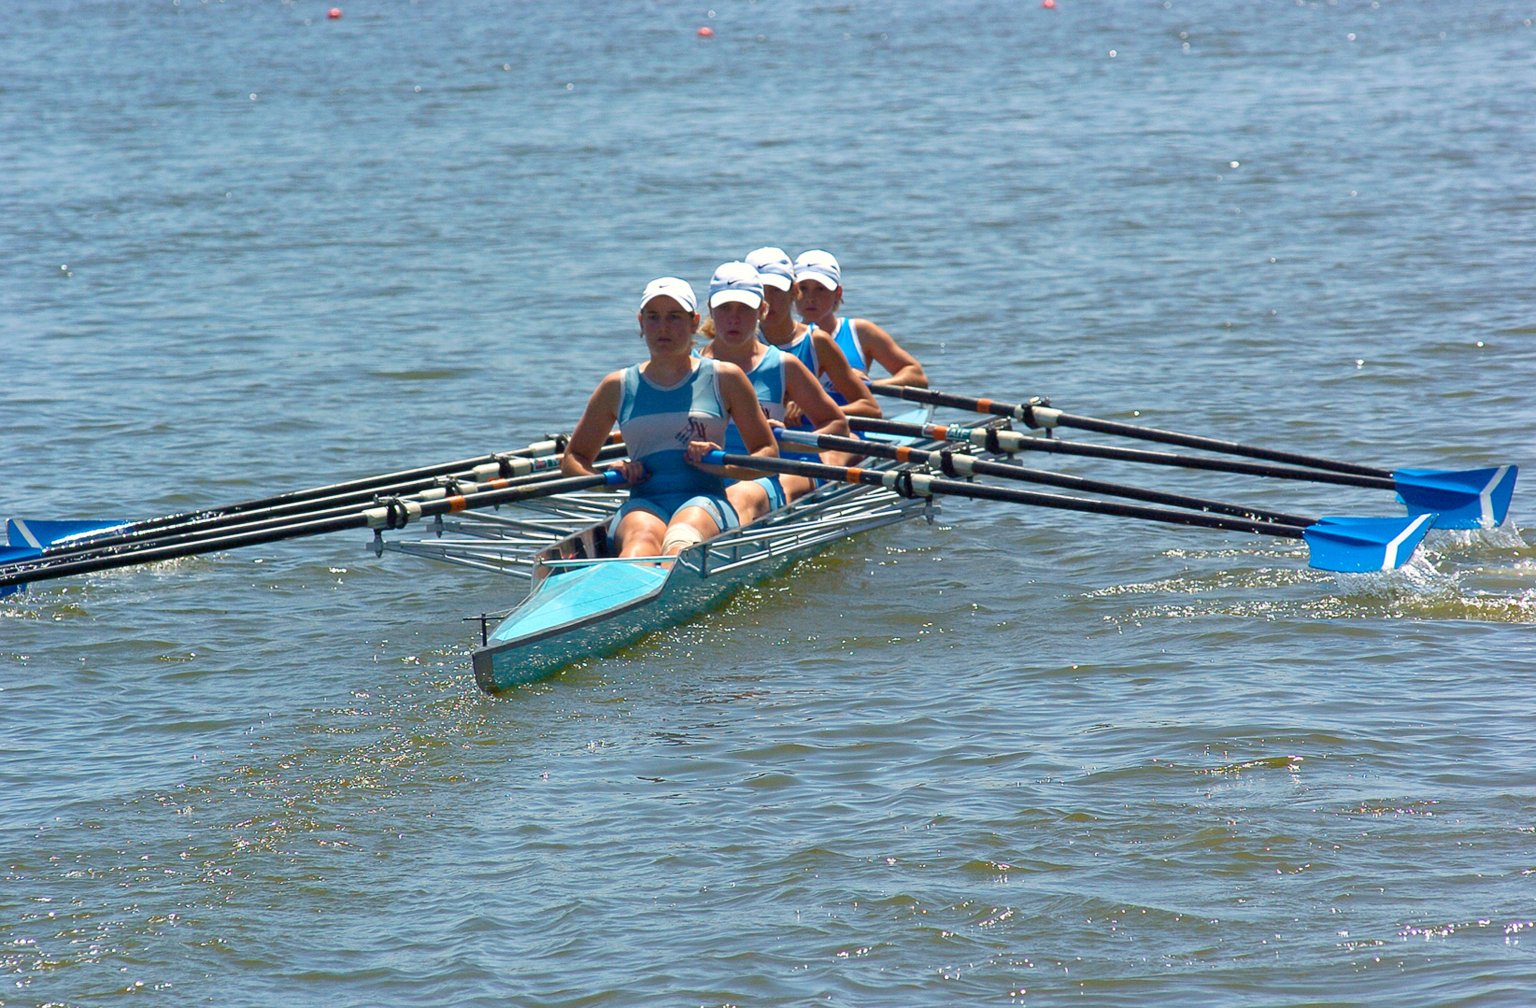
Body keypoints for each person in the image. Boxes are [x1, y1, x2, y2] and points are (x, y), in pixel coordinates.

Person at [560, 277, 778, 558]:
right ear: (641, 323)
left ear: (694, 322)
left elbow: (768, 454)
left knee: (681, 539)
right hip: (643, 504)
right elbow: (573, 459)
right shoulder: (616, 386)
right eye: (653, 317)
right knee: (640, 542)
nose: (663, 327)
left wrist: (723, 465)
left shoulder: (725, 378)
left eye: (674, 317)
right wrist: (606, 480)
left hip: (706, 502)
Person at [699, 261, 856, 520]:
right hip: (704, 478)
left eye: (745, 308)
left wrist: (787, 440)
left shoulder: (783, 365)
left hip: (762, 478)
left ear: (762, 310)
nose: (734, 318)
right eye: (724, 308)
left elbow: (838, 426)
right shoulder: (690, 368)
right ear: (710, 310)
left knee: (739, 498)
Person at [744, 246, 881, 425]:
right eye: (761, 291)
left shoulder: (818, 342)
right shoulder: (734, 345)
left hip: (811, 439)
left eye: (776, 290)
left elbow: (871, 409)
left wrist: (814, 408)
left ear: (794, 291)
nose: (768, 300)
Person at [792, 248, 929, 394]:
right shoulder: (782, 336)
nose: (810, 298)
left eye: (820, 289)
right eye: (803, 288)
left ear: (838, 293)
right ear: (792, 292)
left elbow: (917, 375)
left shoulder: (861, 333)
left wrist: (869, 385)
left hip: (854, 408)